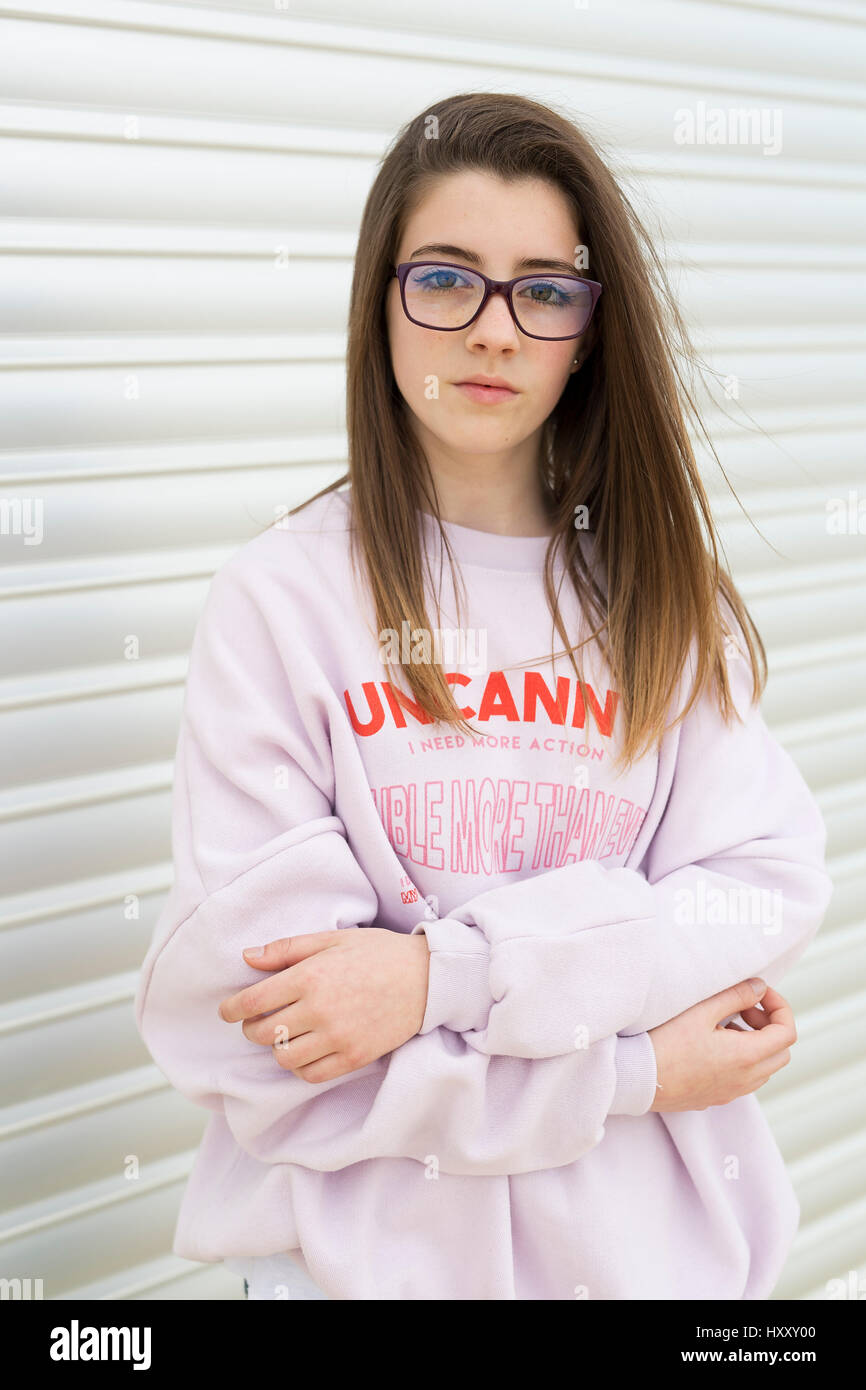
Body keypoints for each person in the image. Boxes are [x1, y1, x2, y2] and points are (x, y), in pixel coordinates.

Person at [134, 92, 833, 1301]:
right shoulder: (281, 601)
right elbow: (279, 1040)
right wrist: (627, 1067)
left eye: (543, 291)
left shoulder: (663, 601)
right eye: (447, 279)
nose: (493, 332)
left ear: (588, 330)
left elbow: (748, 903)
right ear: (381, 301)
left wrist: (430, 981)